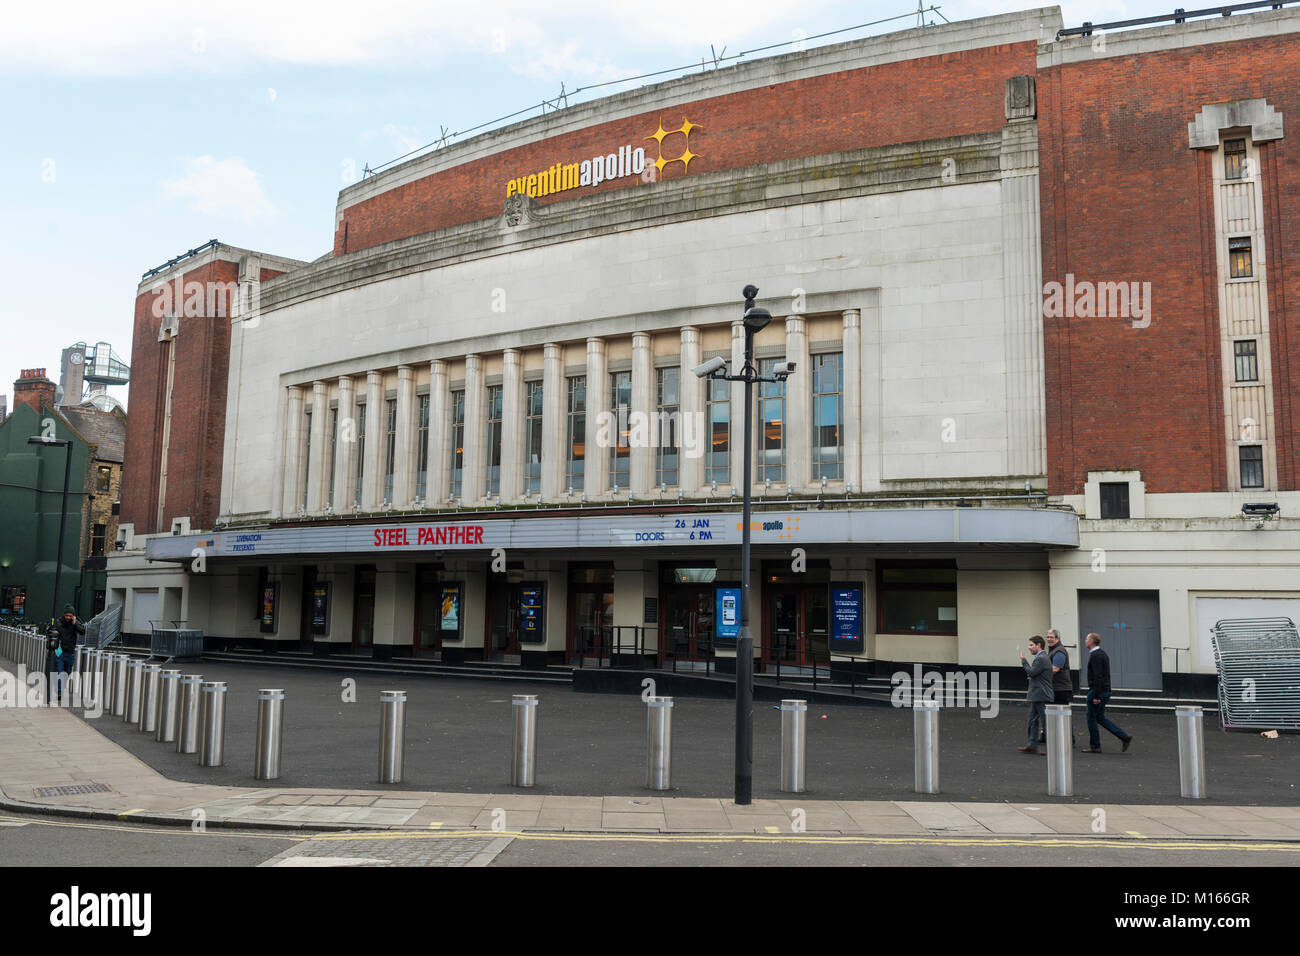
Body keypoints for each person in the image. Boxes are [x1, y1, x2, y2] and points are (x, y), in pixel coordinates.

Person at [1083, 632, 1133, 753]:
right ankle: (1124, 737)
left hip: (1097, 691)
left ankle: (1095, 746)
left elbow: (1098, 676)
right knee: (1099, 717)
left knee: (1091, 718)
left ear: (1091, 641)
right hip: (1104, 691)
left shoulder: (1095, 656)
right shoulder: (1102, 654)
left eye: (1086, 639)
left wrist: (1096, 695)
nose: (1085, 641)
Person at [1039, 628, 1075, 747]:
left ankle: (1069, 740)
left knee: (1062, 715)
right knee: (1052, 714)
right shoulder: (1052, 650)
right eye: (1048, 637)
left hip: (1061, 689)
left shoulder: (1059, 651)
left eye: (1051, 637)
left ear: (1057, 639)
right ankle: (1049, 736)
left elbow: (1055, 668)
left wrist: (1040, 675)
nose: (1049, 639)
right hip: (1055, 688)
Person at [1018, 635, 1053, 754]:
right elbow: (1037, 674)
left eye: (1031, 645)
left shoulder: (1041, 658)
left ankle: (1051, 748)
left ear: (1039, 645)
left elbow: (1032, 671)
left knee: (1045, 722)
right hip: (1038, 694)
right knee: (1032, 720)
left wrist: (1024, 661)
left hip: (1041, 694)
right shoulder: (1043, 657)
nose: (1029, 647)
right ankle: (1032, 744)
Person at [50, 605, 83, 705]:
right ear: (64, 614)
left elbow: (82, 631)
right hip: (60, 652)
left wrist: (75, 623)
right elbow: (52, 630)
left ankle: (60, 687)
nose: (68, 617)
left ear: (73, 616)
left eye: (70, 616)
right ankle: (59, 691)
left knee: (67, 672)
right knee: (59, 672)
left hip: (70, 653)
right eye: (66, 615)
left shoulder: (75, 623)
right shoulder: (59, 622)